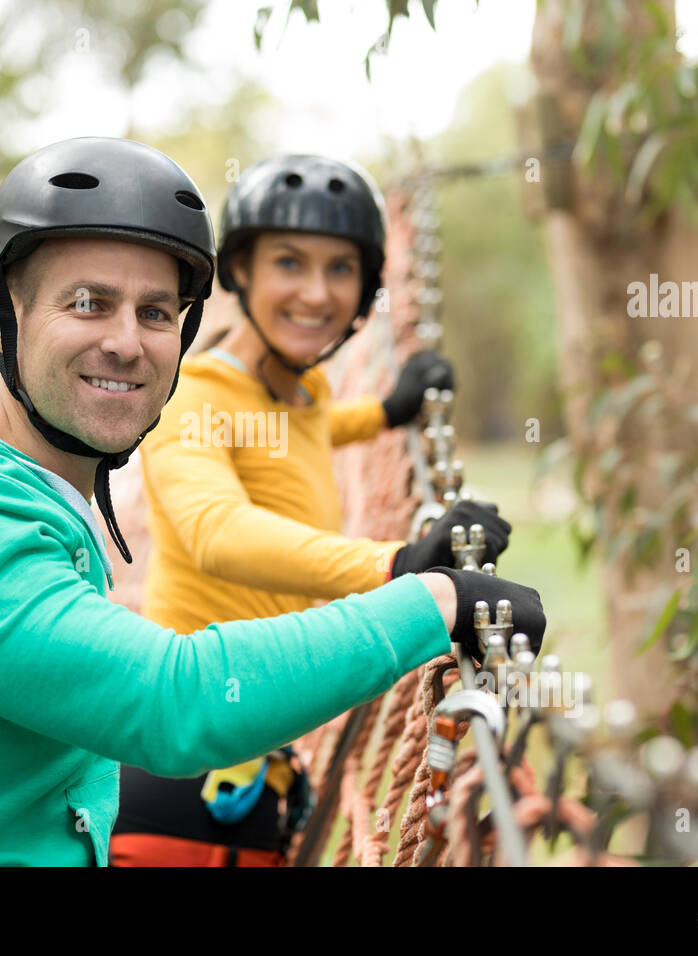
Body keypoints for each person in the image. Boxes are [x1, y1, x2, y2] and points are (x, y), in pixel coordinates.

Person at [0, 137, 545, 866]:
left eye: (155, 312)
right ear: (1, 313)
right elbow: (171, 703)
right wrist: (427, 596)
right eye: (87, 302)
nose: (126, 340)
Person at [111, 154, 522, 866]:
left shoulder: (301, 394)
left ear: (366, 292)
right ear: (239, 271)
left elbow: (301, 432)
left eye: (340, 269)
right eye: (290, 263)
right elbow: (214, 530)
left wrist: (388, 413)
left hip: (256, 764)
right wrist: (399, 565)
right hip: (178, 782)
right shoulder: (194, 394)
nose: (315, 293)